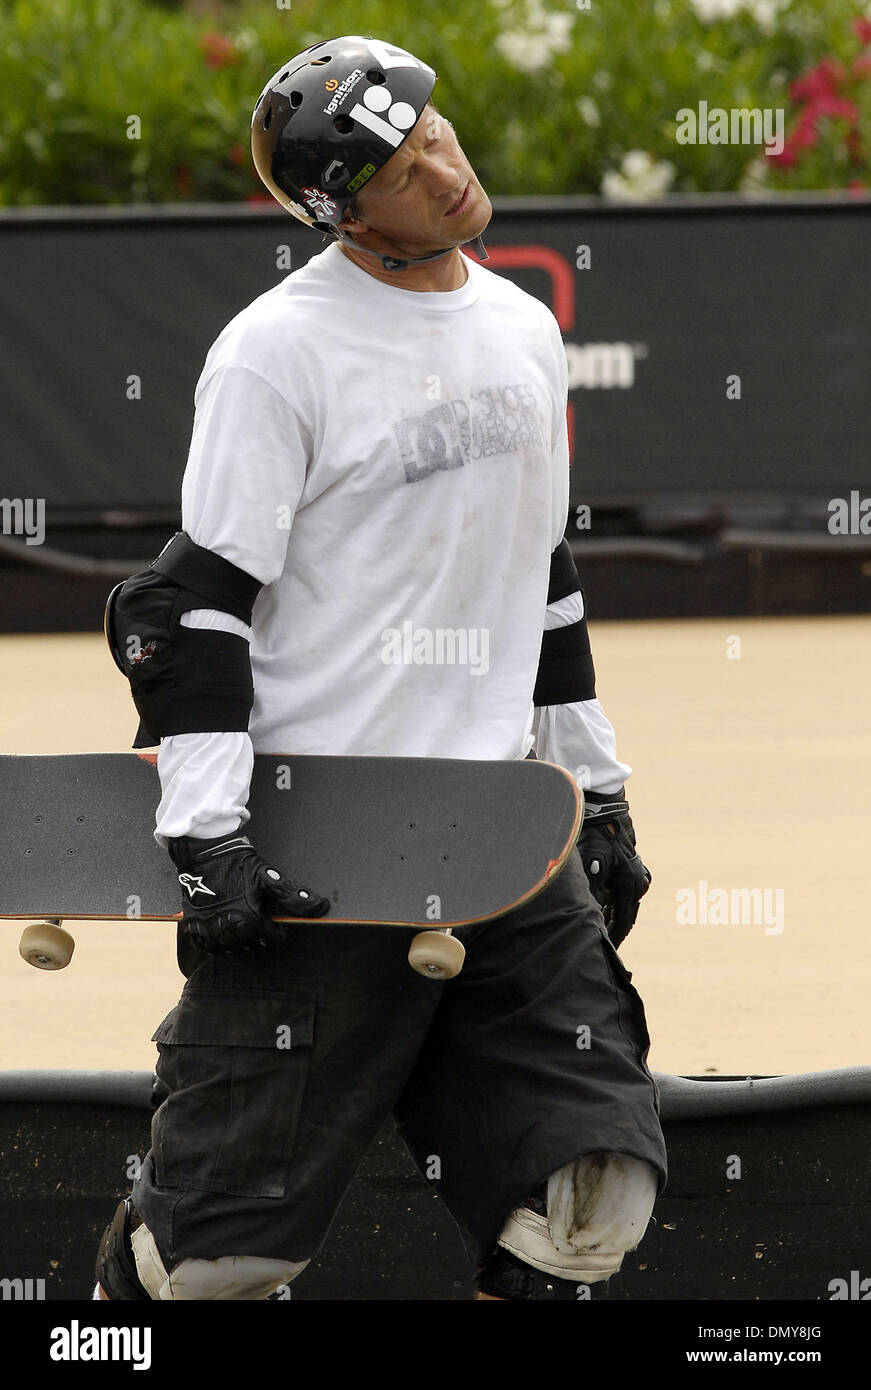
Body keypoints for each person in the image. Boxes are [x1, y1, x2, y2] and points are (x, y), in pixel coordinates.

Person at [95, 34, 666, 1302]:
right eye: (403, 170)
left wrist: (597, 788)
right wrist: (206, 837)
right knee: (217, 1265)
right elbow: (193, 610)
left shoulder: (521, 326)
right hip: (318, 840)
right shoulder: (275, 353)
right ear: (341, 214)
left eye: (437, 136)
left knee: (589, 1198)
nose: (444, 173)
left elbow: (543, 577)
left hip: (497, 826)